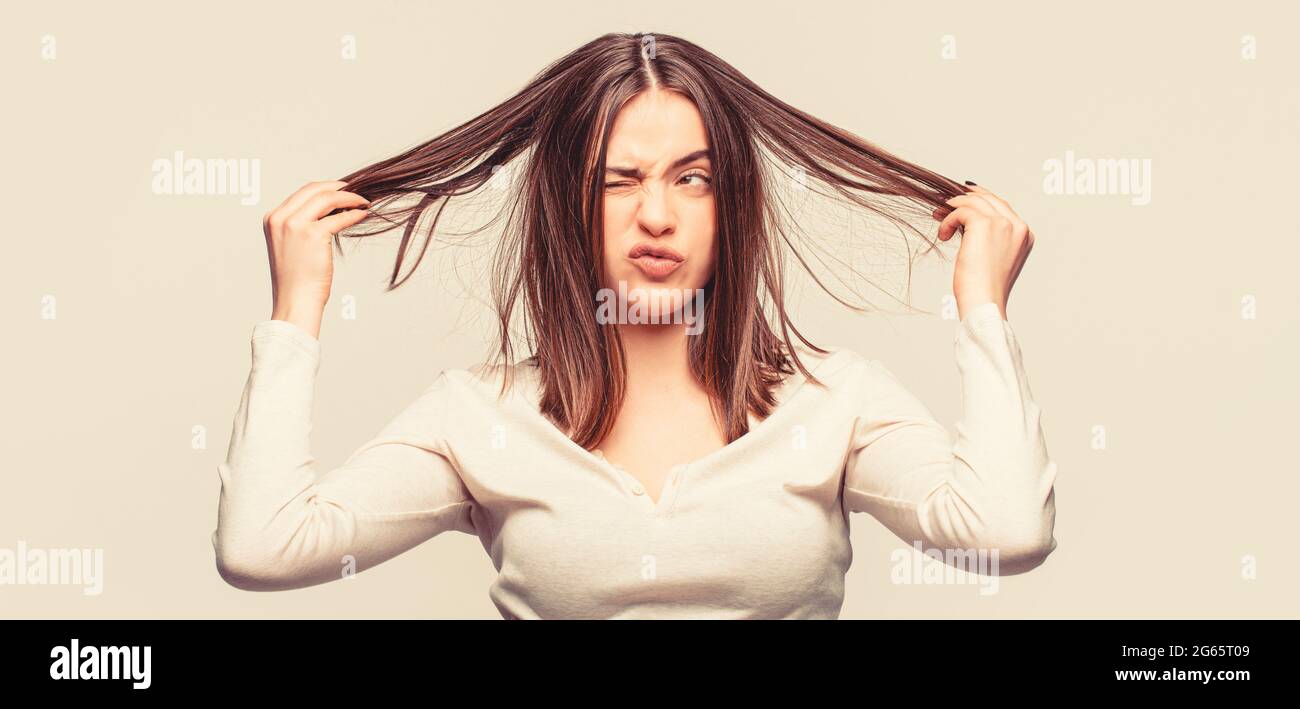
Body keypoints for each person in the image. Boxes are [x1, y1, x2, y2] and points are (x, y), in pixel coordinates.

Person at [211, 32, 1057, 619]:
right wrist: (296, 314)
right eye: (620, 180)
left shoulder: (836, 403)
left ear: (734, 205)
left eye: (693, 179)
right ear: (566, 207)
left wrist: (981, 306)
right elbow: (262, 548)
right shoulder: (477, 417)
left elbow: (1010, 531)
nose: (658, 215)